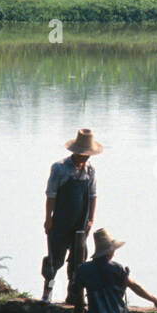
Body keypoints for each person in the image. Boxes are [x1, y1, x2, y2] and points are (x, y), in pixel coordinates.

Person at [42, 128, 101, 303]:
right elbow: (51, 195)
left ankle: (74, 295)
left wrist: (91, 219)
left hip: (80, 222)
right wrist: (48, 219)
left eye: (88, 154)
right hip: (61, 221)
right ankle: (47, 292)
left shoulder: (90, 170)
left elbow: (92, 196)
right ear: (75, 151)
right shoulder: (60, 168)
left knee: (78, 259)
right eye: (83, 154)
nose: (85, 157)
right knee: (55, 259)